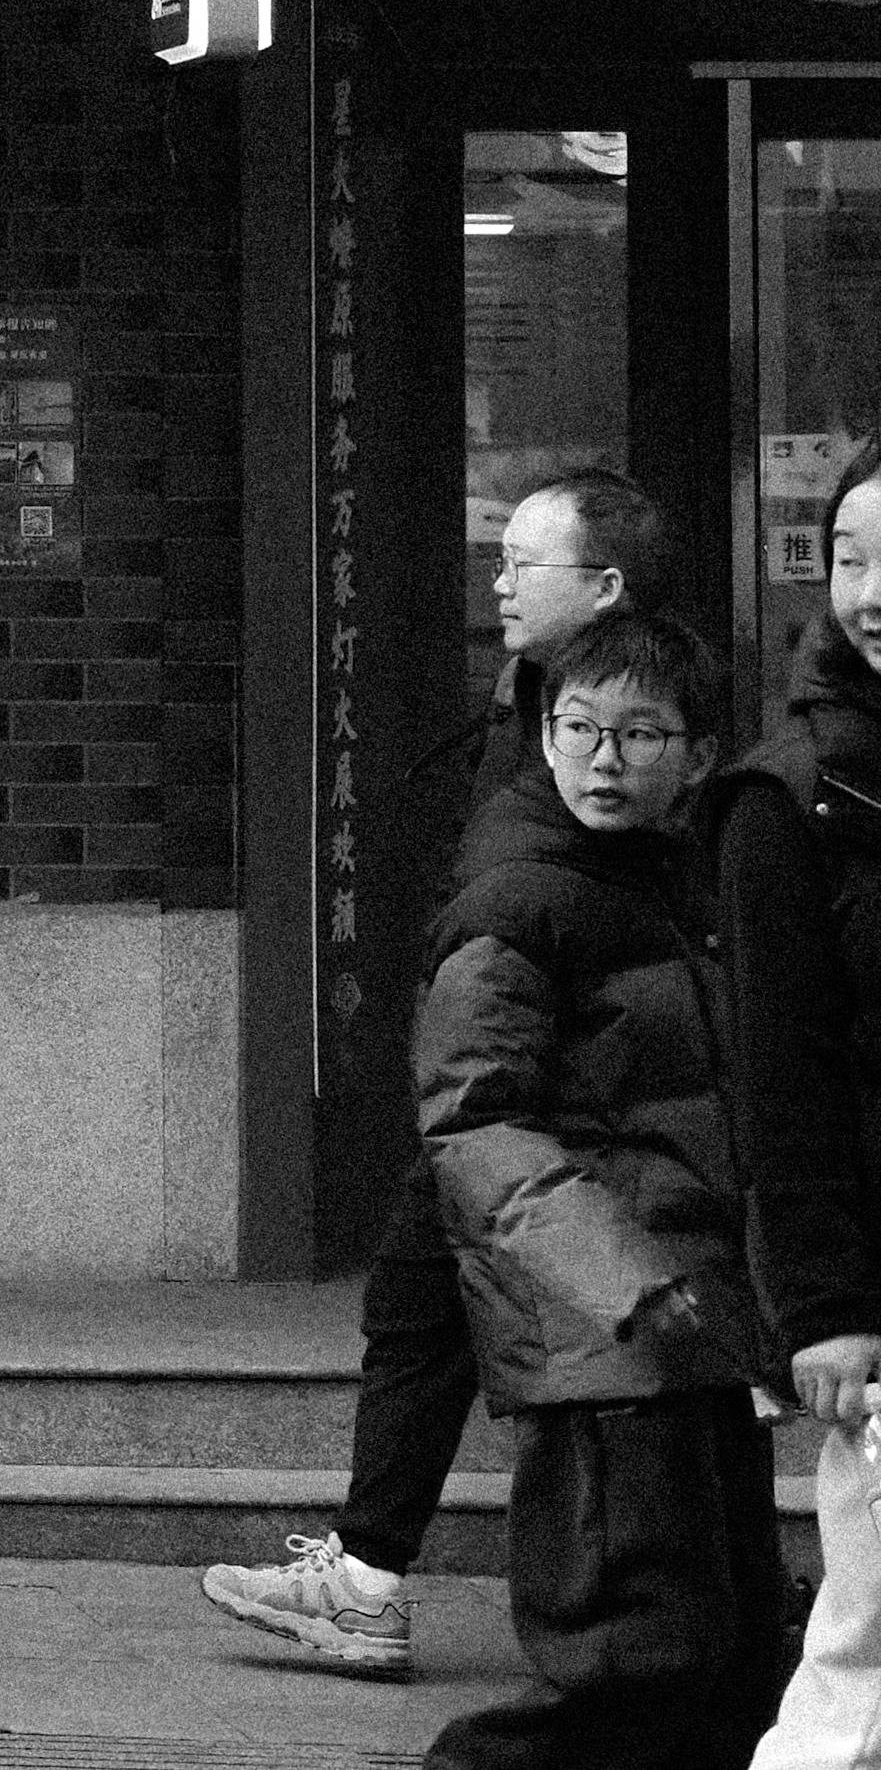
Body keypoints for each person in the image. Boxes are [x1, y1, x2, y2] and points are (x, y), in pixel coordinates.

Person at [209, 465, 665, 1674]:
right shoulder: (532, 705)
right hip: (496, 1079)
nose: (501, 582)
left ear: (607, 584)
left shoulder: (624, 723)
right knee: (424, 1303)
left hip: (559, 1091)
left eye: (528, 562)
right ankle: (370, 1572)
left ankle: (400, 1581)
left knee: (557, 1339)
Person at [404, 609, 787, 1768]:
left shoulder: (681, 878)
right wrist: (626, 1285)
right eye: (577, 729)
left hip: (696, 1324)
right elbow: (476, 1121)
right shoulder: (517, 897)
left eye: (638, 733)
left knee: (728, 1660)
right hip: (606, 1339)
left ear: (700, 751)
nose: (604, 760)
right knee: (634, 1659)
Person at [724, 455, 881, 1766]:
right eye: (850, 558)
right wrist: (823, 1306)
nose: (872, 591)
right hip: (872, 1283)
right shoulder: (795, 796)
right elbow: (789, 1079)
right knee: (861, 1658)